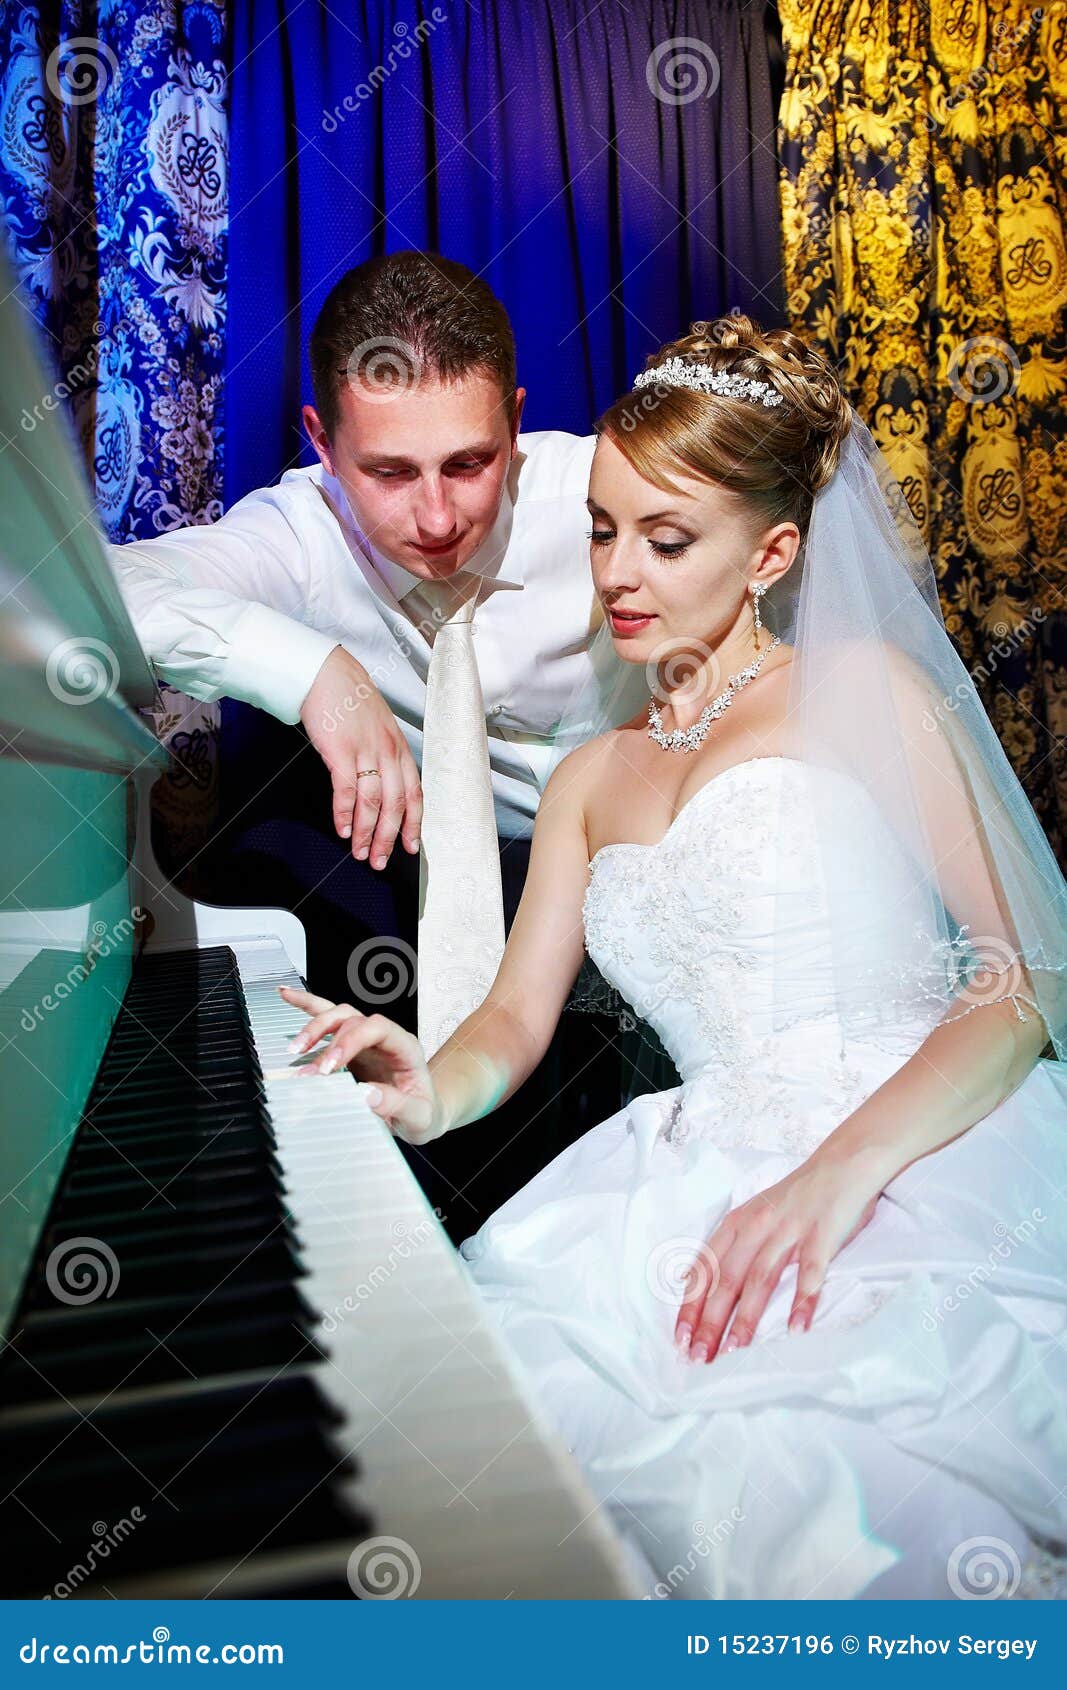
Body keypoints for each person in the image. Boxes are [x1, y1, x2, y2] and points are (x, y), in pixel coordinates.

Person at [279, 314, 1067, 1600]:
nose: (617, 573)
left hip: (919, 1154)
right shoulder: (590, 775)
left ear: (770, 553)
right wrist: (427, 1086)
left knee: (867, 1505)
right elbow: (512, 1019)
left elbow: (1021, 979)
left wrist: (834, 1174)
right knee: (502, 1481)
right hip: (683, 1177)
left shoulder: (860, 689)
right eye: (599, 530)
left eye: (665, 538)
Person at [111, 249, 648, 1239]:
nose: (437, 517)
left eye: (469, 464)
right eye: (390, 472)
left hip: (614, 860)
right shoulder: (300, 532)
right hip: (414, 870)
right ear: (321, 439)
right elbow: (87, 594)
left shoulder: (602, 497)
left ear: (514, 422)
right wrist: (312, 669)